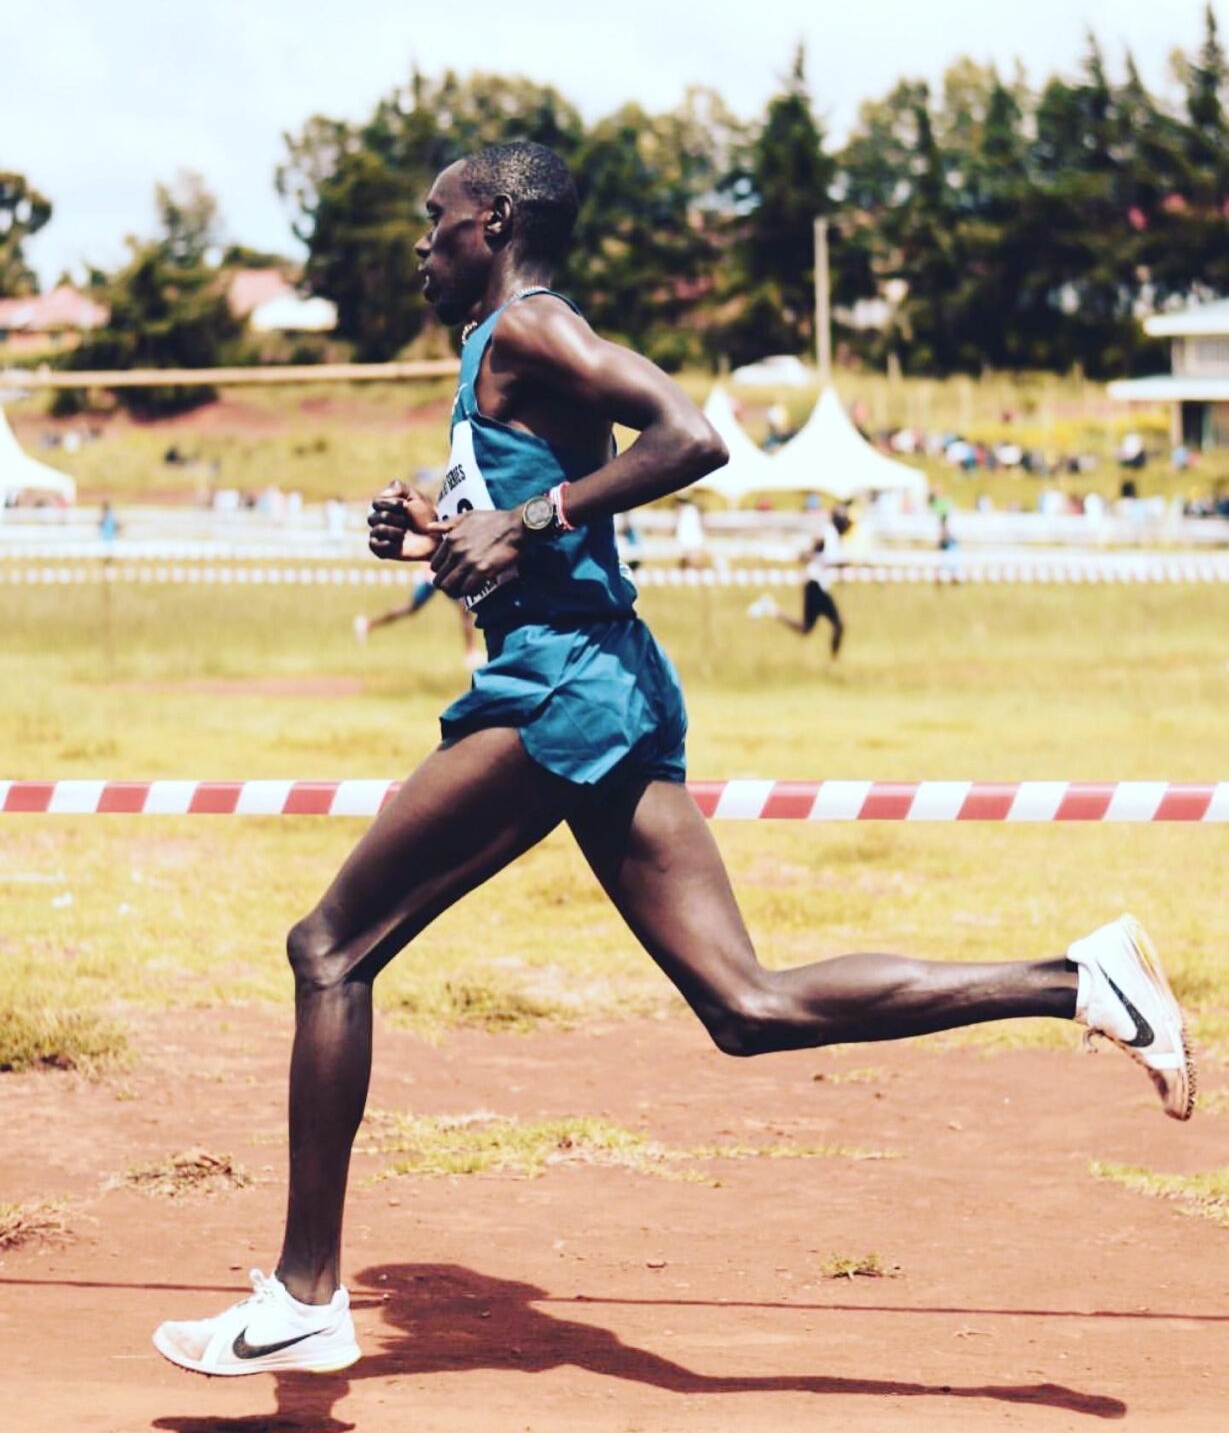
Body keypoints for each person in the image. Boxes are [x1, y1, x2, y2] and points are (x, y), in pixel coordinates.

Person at [154, 141, 1194, 1379]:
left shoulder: (532, 330)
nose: (420, 245)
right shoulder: (500, 353)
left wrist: (529, 520)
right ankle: (1078, 980)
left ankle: (306, 1294)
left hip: (562, 692)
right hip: (606, 683)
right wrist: (435, 533)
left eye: (434, 222)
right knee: (745, 1007)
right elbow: (530, 534)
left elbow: (692, 438)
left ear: (491, 220)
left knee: (328, 949)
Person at [747, 505, 846, 656]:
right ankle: (834, 661)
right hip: (815, 585)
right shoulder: (828, 533)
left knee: (807, 628)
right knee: (837, 624)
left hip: (817, 585)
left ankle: (773, 609)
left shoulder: (834, 536)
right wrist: (813, 555)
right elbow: (813, 550)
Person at [354, 564, 482, 670]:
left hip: (438, 574)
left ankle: (470, 652)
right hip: (434, 576)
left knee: (463, 608)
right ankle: (470, 653)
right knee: (412, 607)